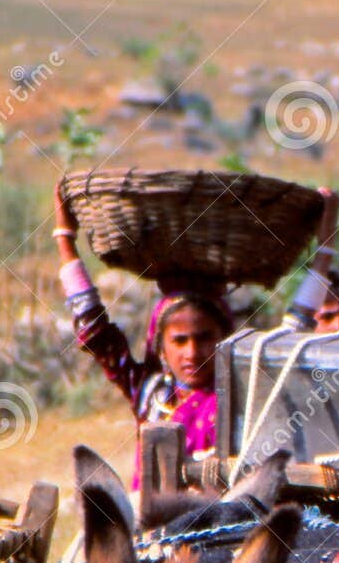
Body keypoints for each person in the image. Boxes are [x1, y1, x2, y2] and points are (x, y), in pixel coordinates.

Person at [53, 184, 231, 473]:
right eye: (180, 340)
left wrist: (323, 246)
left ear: (225, 338)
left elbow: (294, 327)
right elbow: (94, 329)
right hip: (155, 515)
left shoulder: (241, 395)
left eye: (204, 338)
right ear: (161, 347)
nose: (193, 352)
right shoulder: (150, 393)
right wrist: (65, 239)